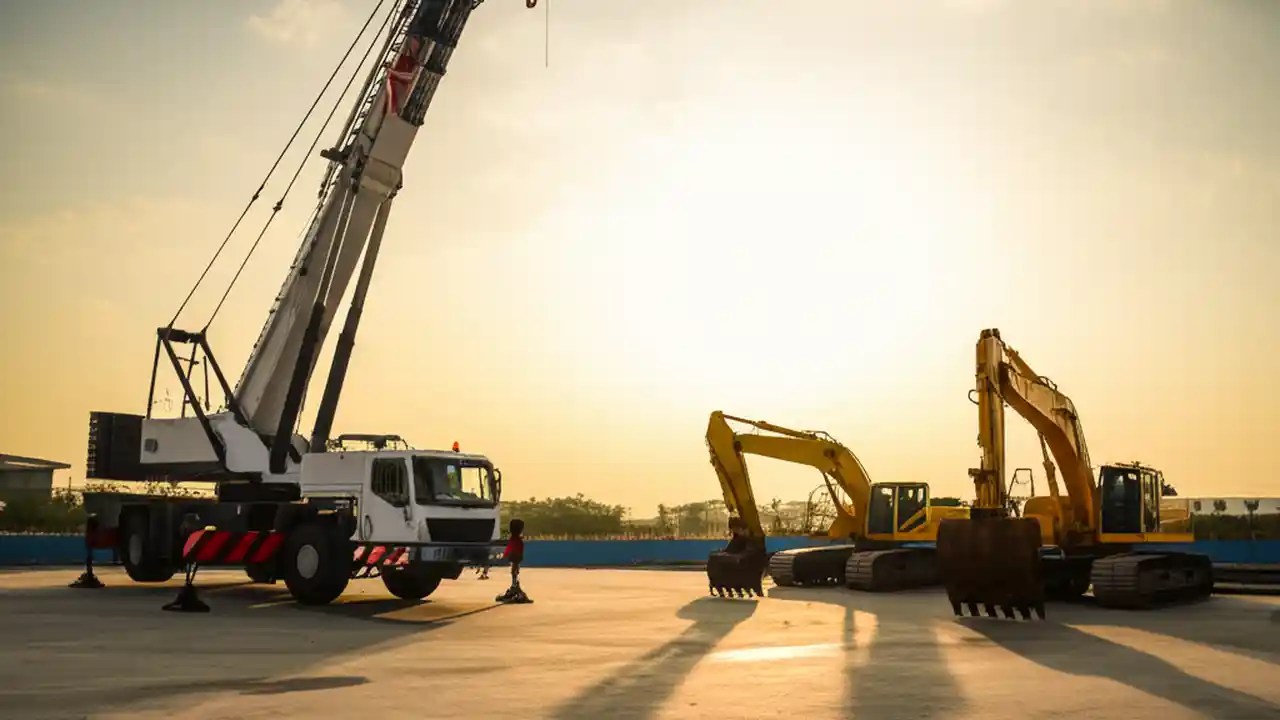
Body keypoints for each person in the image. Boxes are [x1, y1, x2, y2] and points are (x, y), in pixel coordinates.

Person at [496, 518, 532, 603]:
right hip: (516, 557)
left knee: (515, 572)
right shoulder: (516, 539)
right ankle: (515, 586)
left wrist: (505, 555)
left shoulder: (515, 539)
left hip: (516, 557)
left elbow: (510, 549)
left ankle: (515, 586)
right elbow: (512, 549)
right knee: (515, 571)